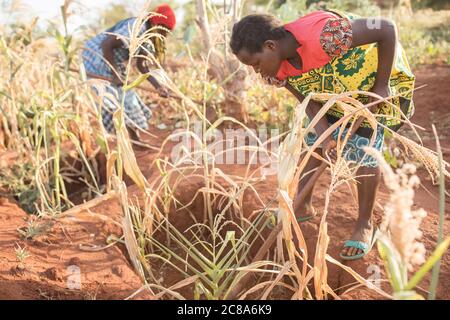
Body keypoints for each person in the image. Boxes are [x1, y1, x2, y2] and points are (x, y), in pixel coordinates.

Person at [230, 10, 415, 260]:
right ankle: (302, 204)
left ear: (270, 45)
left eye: (255, 63)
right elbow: (307, 97)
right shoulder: (276, 69)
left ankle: (364, 224)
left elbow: (386, 28)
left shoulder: (325, 36)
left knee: (365, 148)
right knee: (312, 143)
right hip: (332, 93)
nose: (256, 71)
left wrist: (382, 85)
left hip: (375, 83)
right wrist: (325, 135)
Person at [82, 4, 176, 140]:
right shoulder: (137, 28)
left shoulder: (148, 37)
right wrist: (115, 74)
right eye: (165, 29)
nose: (165, 34)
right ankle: (124, 143)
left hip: (114, 62)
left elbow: (142, 65)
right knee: (112, 102)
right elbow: (107, 44)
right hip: (96, 57)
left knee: (129, 99)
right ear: (157, 24)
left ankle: (135, 141)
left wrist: (158, 86)